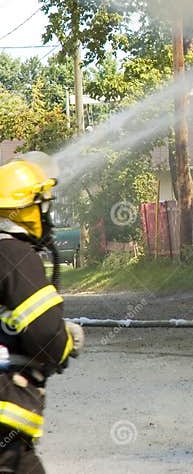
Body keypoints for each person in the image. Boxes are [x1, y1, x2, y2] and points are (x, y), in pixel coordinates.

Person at [0, 153, 84, 473]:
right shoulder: (14, 255)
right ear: (23, 208)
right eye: (41, 205)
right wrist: (67, 340)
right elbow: (46, 336)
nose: (45, 214)